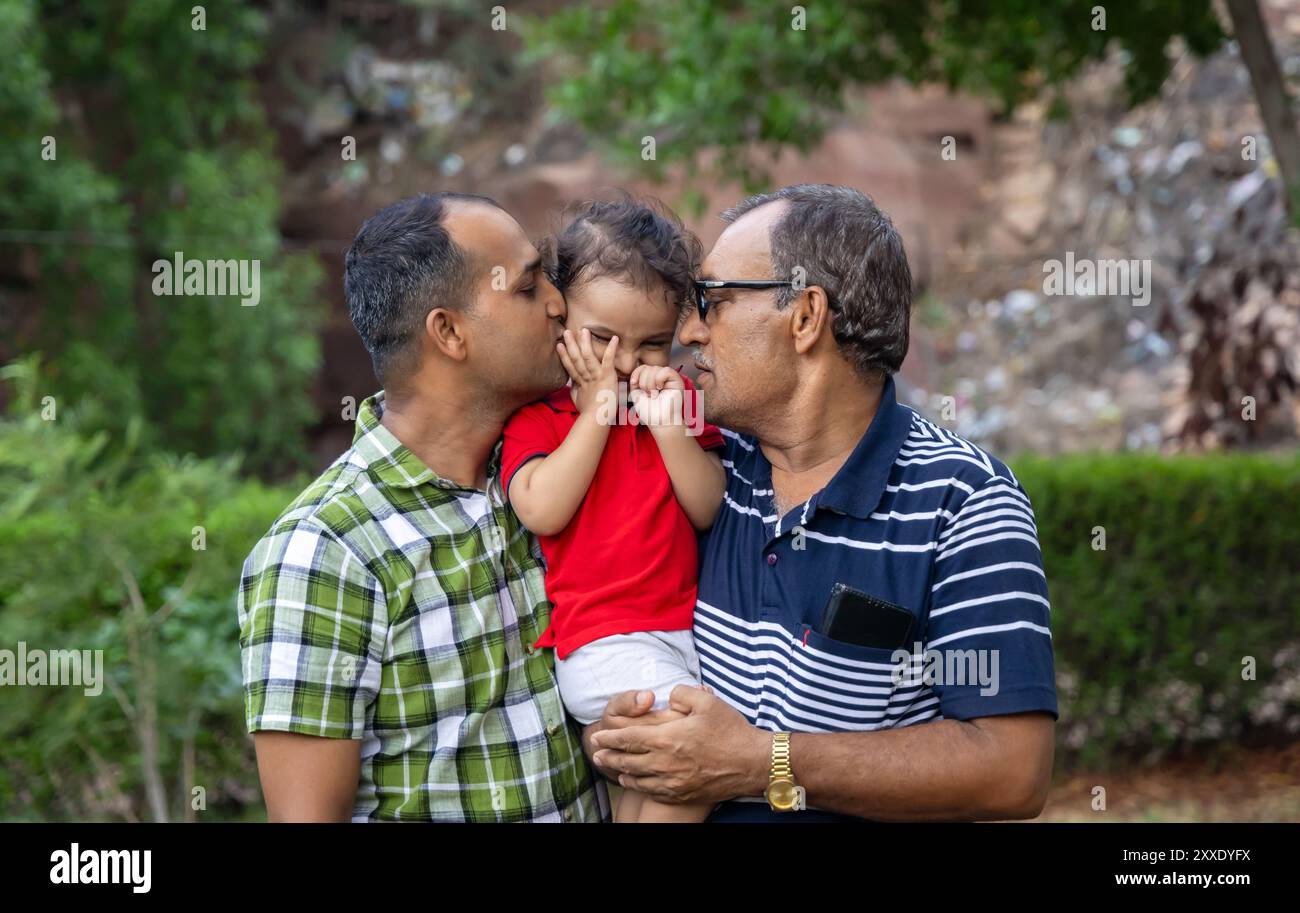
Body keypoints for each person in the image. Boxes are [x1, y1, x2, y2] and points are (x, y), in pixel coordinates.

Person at [585, 184, 1059, 822]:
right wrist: (630, 734)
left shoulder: (963, 501)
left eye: (711, 300)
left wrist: (766, 762)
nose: (688, 330)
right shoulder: (702, 468)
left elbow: (1011, 769)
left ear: (805, 317)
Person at [237, 192, 607, 822]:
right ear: (449, 332)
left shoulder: (552, 476)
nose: (557, 304)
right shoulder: (325, 551)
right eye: (526, 288)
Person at [502, 199, 726, 823]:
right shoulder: (540, 420)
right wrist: (598, 411)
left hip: (682, 639)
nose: (624, 364)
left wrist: (669, 430)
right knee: (692, 764)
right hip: (602, 640)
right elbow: (542, 510)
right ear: (560, 316)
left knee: (649, 790)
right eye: (602, 339)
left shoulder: (672, 408)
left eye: (652, 344)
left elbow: (708, 507)